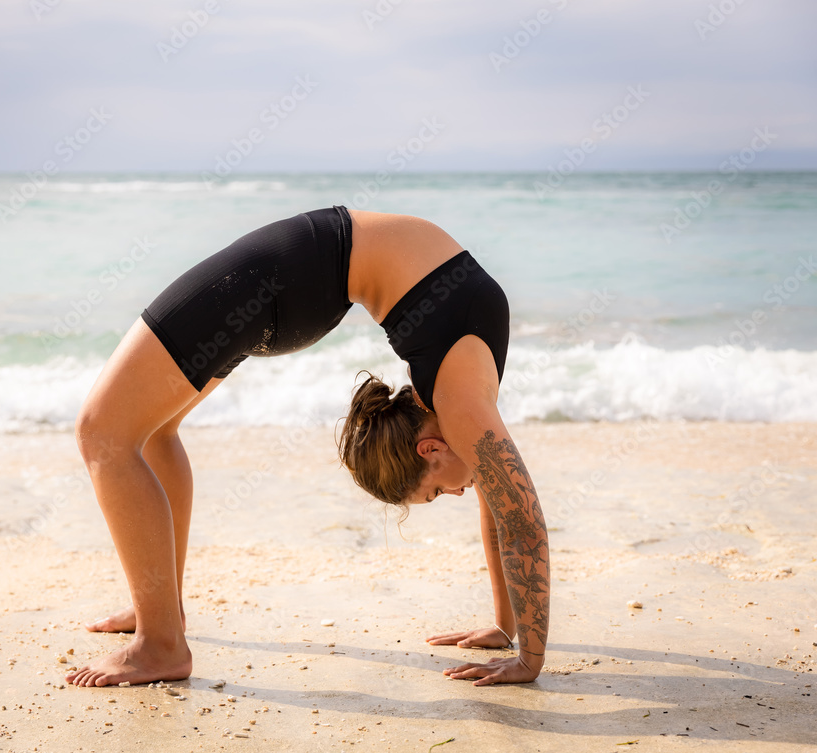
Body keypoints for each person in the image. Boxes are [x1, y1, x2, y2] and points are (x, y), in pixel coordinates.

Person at [66, 206, 549, 688]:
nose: (459, 494)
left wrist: (511, 632)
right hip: (286, 277)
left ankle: (160, 626)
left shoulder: (456, 403)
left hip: (302, 279)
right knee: (107, 431)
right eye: (437, 493)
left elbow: (504, 504)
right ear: (431, 450)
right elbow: (520, 517)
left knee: (130, 431)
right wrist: (527, 658)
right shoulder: (459, 402)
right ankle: (161, 632)